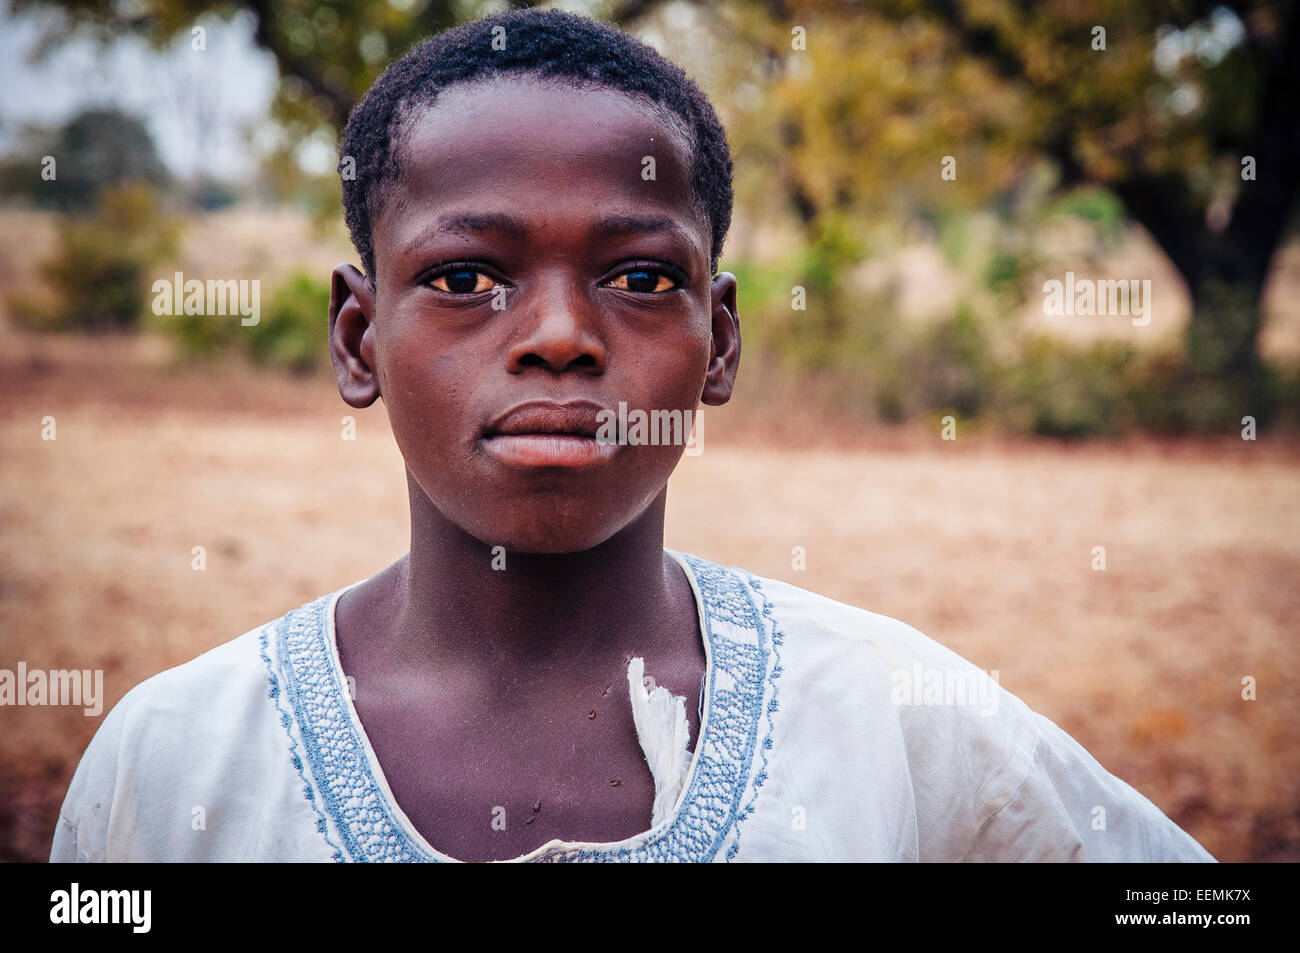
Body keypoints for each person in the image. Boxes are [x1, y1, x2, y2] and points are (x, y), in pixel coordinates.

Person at [51, 7, 1214, 863]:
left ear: (718, 341)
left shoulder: (892, 722)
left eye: (642, 276)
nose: (559, 335)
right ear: (359, 337)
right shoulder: (177, 760)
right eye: (466, 275)